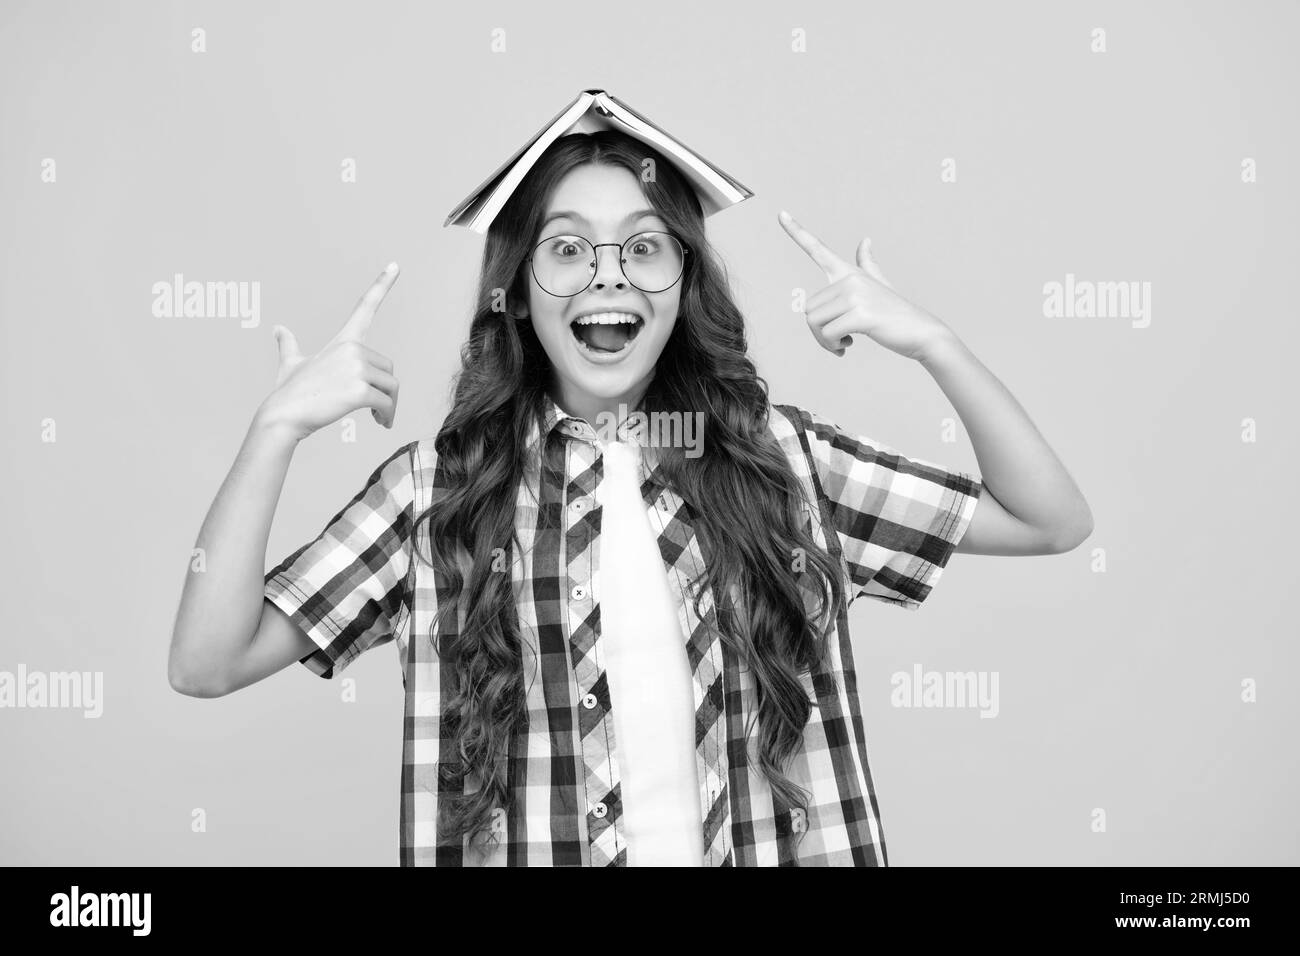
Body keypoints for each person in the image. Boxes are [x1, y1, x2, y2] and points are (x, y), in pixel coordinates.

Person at [168, 126, 1092, 867]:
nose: (607, 274)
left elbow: (1051, 521)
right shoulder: (436, 494)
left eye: (644, 248)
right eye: (567, 249)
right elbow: (207, 662)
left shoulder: (783, 462)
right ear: (517, 291)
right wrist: (275, 432)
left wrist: (935, 343)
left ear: (683, 284)